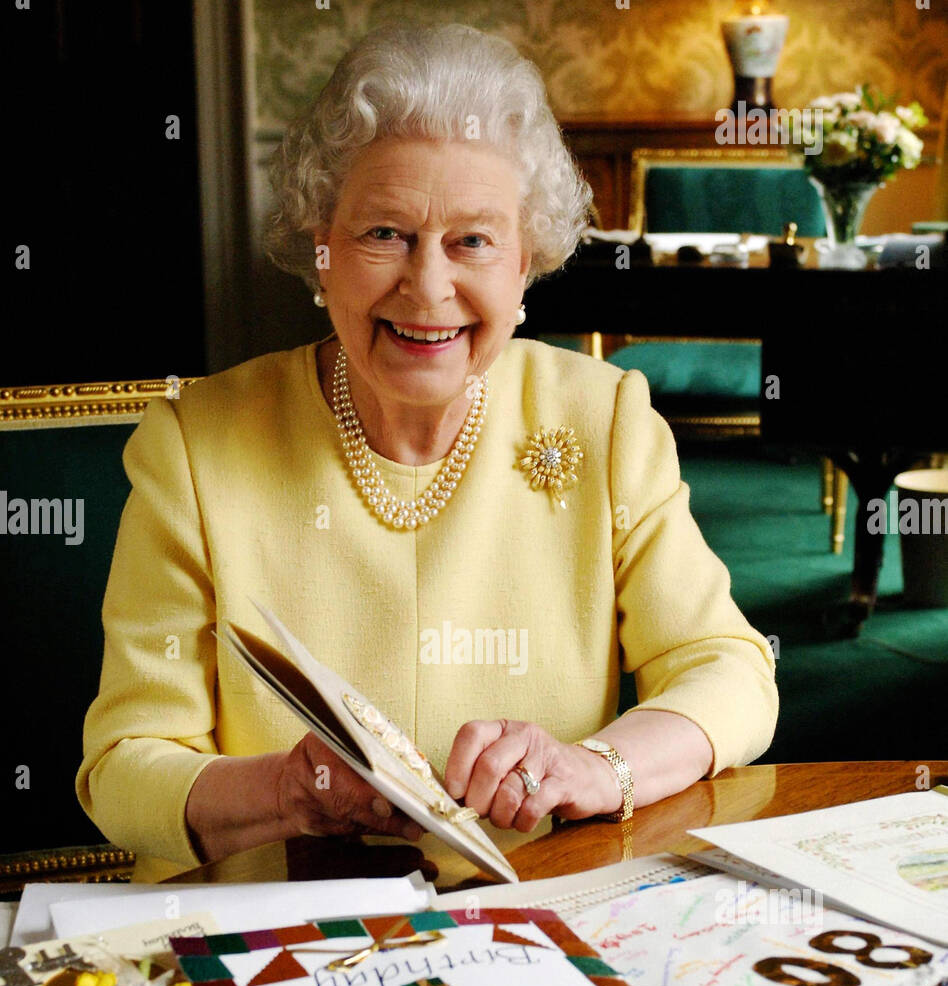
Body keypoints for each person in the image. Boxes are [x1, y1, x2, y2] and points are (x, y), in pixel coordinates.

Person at [77, 23, 778, 883]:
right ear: (320, 247)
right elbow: (122, 767)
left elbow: (732, 673)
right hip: (272, 934)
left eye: (473, 241)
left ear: (528, 262)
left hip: (527, 933)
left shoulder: (603, 418)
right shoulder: (197, 442)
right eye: (386, 234)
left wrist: (595, 768)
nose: (429, 286)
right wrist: (287, 792)